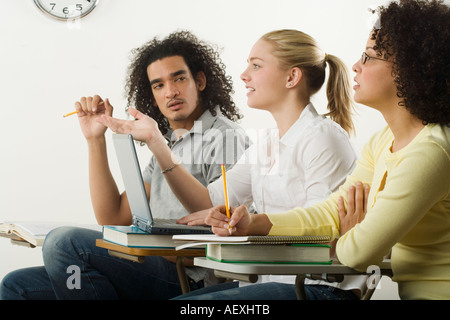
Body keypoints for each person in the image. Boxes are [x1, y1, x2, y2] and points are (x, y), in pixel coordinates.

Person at [195, 0, 450, 300]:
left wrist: (341, 238)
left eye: (368, 58)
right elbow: (331, 212)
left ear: (407, 71)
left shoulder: (430, 153)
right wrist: (257, 223)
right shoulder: (383, 141)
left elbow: (359, 252)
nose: (355, 65)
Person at [99, 29, 361, 300]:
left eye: (256, 65)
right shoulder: (267, 142)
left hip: (317, 288)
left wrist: (251, 225)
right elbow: (209, 202)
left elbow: (323, 233)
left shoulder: (322, 138)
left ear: (292, 77)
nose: (244, 75)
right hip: (272, 282)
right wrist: (156, 141)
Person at [0, 31, 249, 300]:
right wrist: (95, 140)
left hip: (191, 277)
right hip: (151, 264)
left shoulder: (225, 138)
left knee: (64, 243)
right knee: (18, 285)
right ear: (152, 95)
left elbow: (226, 228)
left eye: (179, 78)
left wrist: (153, 246)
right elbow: (114, 216)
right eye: (159, 85)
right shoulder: (170, 143)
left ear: (199, 81)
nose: (171, 91)